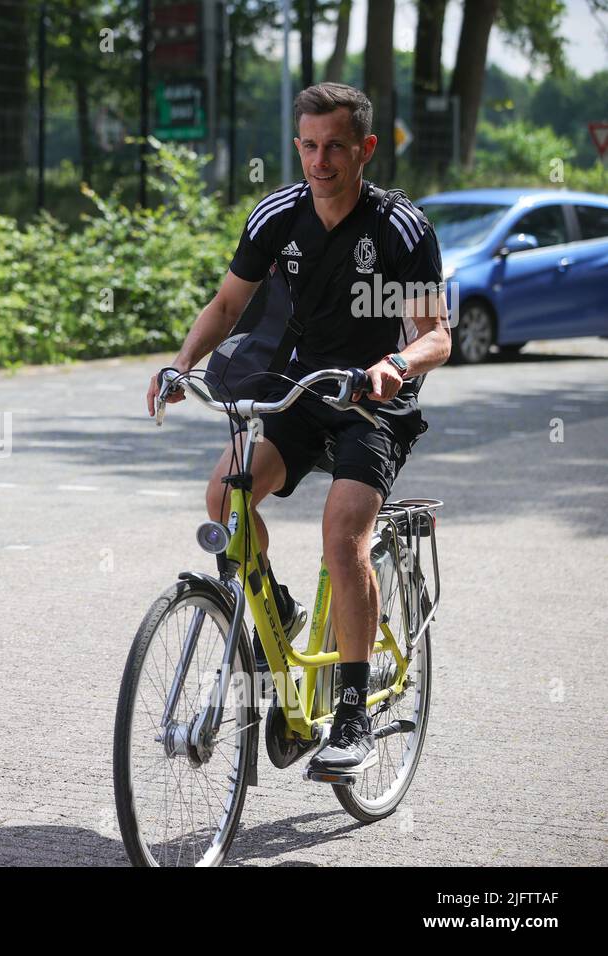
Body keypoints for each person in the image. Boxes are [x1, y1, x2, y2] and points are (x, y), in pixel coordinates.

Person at [144, 83, 451, 773]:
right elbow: (227, 305)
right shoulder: (277, 215)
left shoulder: (401, 226)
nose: (320, 161)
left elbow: (437, 335)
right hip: (301, 388)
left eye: (336, 146)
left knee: (343, 533)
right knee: (224, 494)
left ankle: (350, 717)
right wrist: (180, 364)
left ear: (365, 148)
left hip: (374, 398)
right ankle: (276, 609)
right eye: (309, 146)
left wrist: (396, 363)